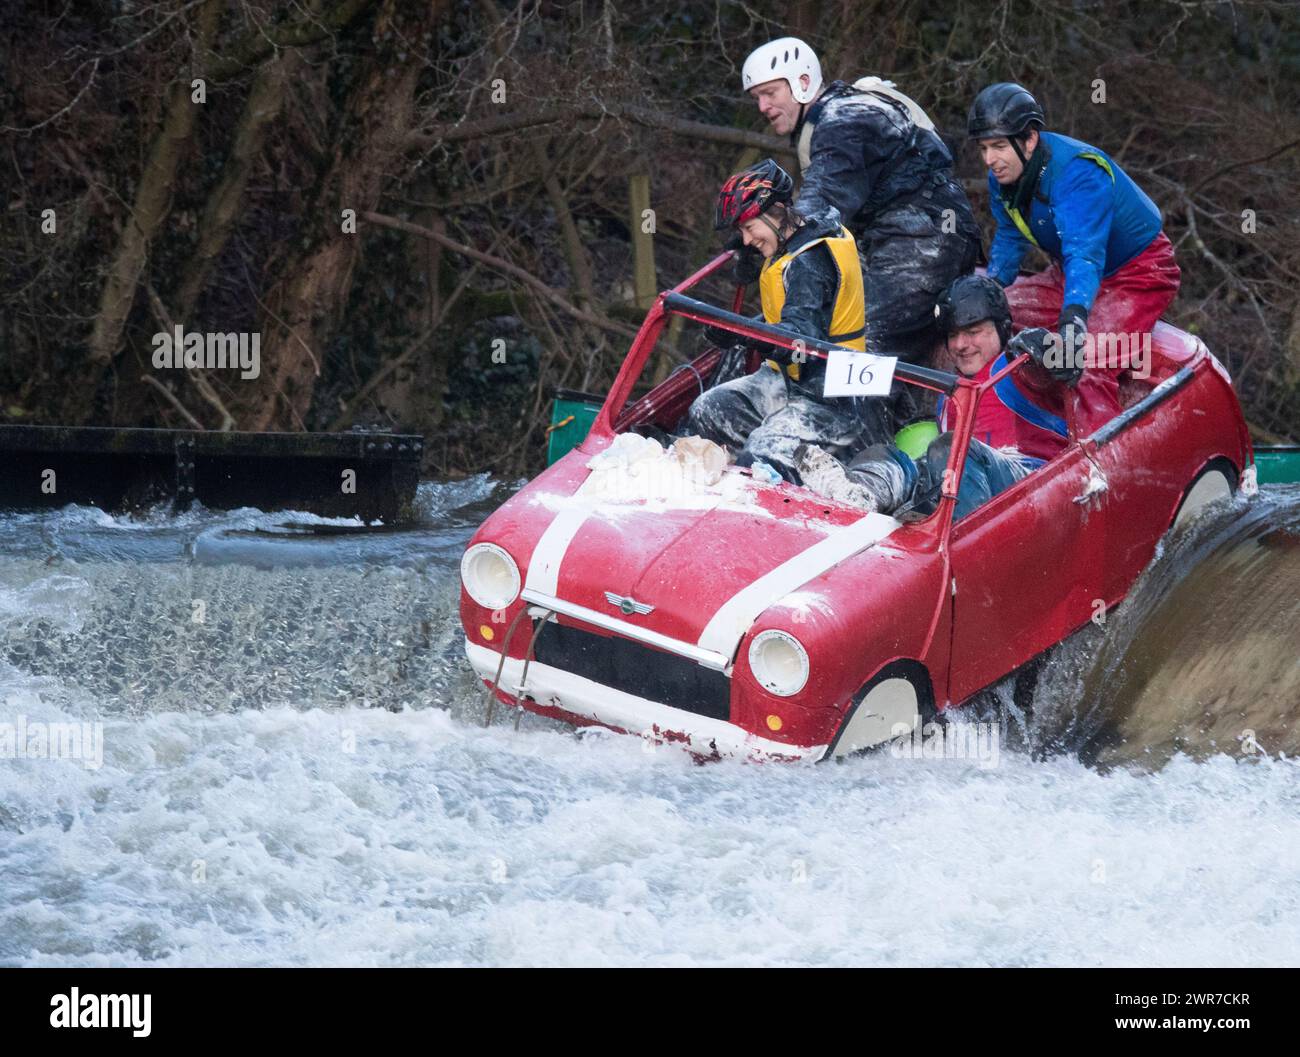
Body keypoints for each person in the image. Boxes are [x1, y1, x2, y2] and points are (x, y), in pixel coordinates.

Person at [740, 37, 982, 366]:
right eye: (757, 98)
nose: (762, 108)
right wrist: (752, 234)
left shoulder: (844, 120)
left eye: (770, 94)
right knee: (806, 314)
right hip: (888, 242)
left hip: (925, 244)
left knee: (856, 339)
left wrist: (766, 230)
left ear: (803, 83)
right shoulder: (833, 116)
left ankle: (853, 414)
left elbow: (820, 207)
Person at [969, 82, 1181, 429]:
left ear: (1030, 140)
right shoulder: (1003, 177)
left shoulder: (1078, 173)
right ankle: (1015, 425)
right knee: (994, 315)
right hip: (1069, 271)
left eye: (998, 146)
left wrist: (1074, 321)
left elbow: (1085, 253)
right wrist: (991, 289)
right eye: (983, 148)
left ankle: (1098, 471)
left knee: (1082, 362)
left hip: (1138, 272)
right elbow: (1009, 235)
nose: (989, 159)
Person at [795, 275, 1079, 518]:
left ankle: (960, 539)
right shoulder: (949, 396)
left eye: (973, 332)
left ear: (1002, 329)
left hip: (1035, 484)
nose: (960, 345)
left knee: (952, 449)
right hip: (965, 484)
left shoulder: (1017, 368)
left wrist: (1046, 347)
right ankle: (860, 490)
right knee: (895, 457)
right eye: (953, 335)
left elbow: (1056, 367)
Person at [686, 159, 892, 483]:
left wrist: (742, 332)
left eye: (749, 227)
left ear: (777, 212)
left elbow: (801, 342)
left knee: (761, 449)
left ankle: (780, 480)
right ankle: (748, 471)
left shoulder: (809, 262)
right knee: (708, 410)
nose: (746, 239)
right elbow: (790, 316)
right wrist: (740, 328)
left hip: (831, 394)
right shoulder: (792, 241)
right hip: (792, 379)